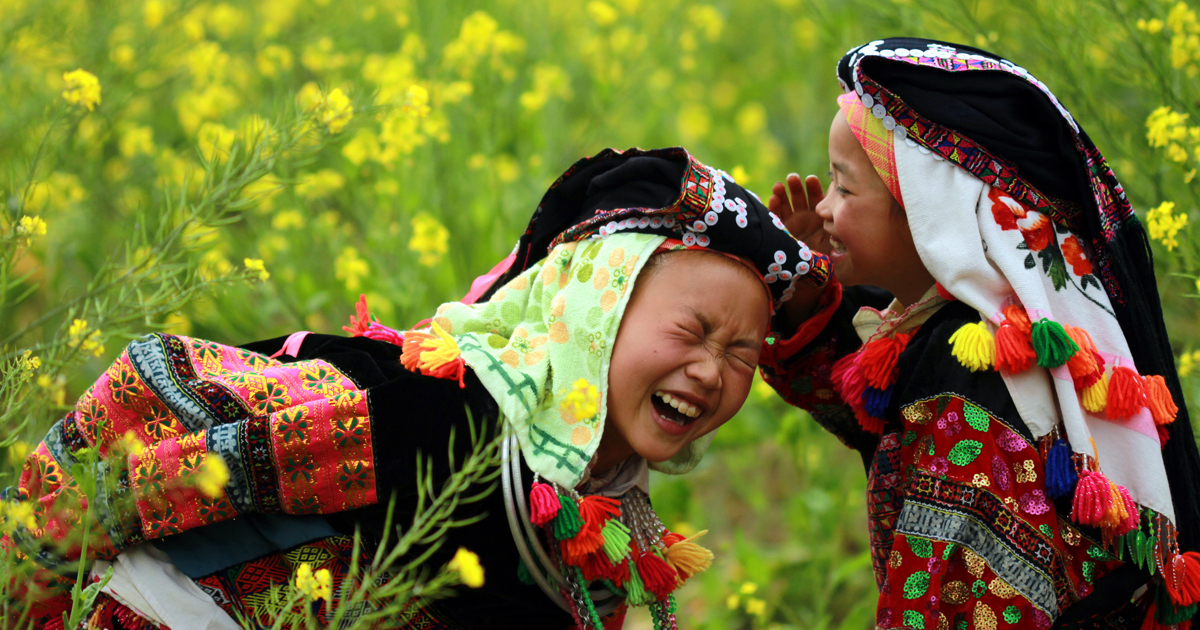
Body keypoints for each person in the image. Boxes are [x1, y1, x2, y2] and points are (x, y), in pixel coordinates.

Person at [5, 147, 831, 629]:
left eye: (743, 354)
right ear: (592, 309)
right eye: (693, 332)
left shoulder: (605, 512)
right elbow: (174, 466)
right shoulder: (437, 409)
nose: (712, 370)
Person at [762, 38, 1200, 629]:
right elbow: (869, 410)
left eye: (843, 187)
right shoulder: (980, 329)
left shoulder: (969, 381)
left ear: (926, 209)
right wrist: (810, 303)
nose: (823, 209)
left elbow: (941, 601)